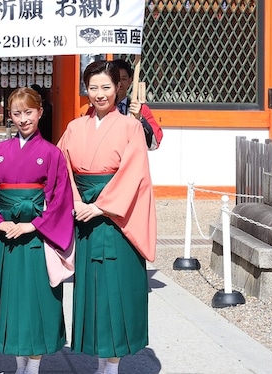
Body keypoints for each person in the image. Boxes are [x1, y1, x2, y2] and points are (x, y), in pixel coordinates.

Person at [57, 60, 157, 374]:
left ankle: (111, 366)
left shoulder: (130, 126)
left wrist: (100, 206)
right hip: (83, 215)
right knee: (92, 291)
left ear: (118, 88)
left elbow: (135, 173)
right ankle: (99, 361)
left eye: (106, 87)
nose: (100, 94)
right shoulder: (75, 127)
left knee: (118, 290)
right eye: (93, 87)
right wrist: (75, 201)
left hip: (117, 220)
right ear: (86, 89)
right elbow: (60, 168)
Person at [0, 87, 74, 374]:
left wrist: (33, 224)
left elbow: (60, 198)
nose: (23, 119)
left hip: (38, 236)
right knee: (11, 299)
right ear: (8, 115)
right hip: (6, 235)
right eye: (16, 113)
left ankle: (33, 366)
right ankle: (18, 364)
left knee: (38, 300)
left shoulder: (52, 153)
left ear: (40, 112)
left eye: (28, 112)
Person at [110, 58, 162, 150]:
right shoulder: (98, 109)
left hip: (131, 160)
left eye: (124, 79)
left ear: (130, 80)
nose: (120, 84)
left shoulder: (141, 109)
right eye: (116, 79)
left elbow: (154, 143)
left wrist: (140, 119)